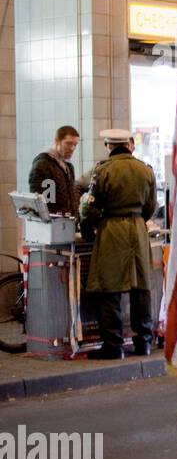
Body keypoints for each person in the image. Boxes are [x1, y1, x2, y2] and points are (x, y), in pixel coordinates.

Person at [80, 130, 157, 360]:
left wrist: (87, 231)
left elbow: (90, 207)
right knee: (141, 287)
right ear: (128, 145)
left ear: (108, 145)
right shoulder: (146, 170)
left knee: (109, 288)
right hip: (138, 229)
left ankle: (114, 346)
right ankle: (144, 343)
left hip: (112, 230)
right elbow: (151, 206)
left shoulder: (102, 170)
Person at [28, 126, 82, 218]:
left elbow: (70, 196)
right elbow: (40, 200)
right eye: (68, 143)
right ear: (57, 141)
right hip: (53, 223)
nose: (72, 148)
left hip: (67, 221)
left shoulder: (68, 166)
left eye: (75, 144)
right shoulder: (43, 164)